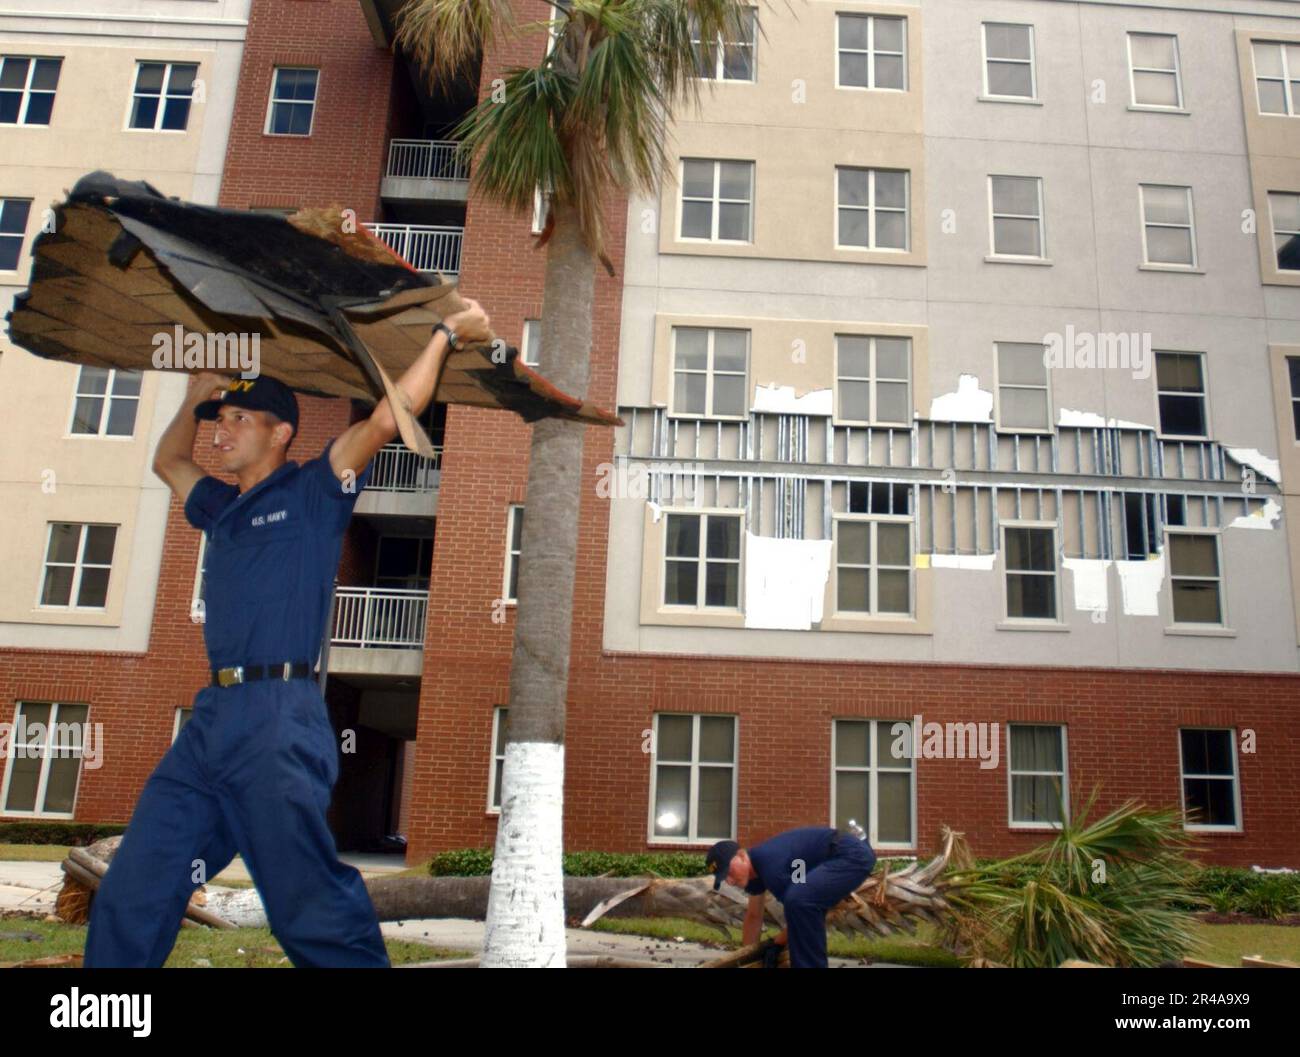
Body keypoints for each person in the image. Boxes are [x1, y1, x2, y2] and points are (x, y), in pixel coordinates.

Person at [84, 302, 491, 968]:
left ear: (282, 432)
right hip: (211, 720)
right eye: (222, 421)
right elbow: (167, 461)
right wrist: (196, 395)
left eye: (239, 419)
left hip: (279, 720)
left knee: (306, 906)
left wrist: (448, 333)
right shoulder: (222, 508)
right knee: (135, 886)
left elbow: (390, 415)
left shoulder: (314, 490)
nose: (222, 431)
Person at [705, 825, 876, 969]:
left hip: (850, 855)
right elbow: (754, 916)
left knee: (799, 901)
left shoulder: (771, 866)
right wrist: (749, 959)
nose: (730, 880)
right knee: (801, 900)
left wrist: (776, 944)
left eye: (729, 871)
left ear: (742, 856)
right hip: (838, 856)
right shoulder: (756, 871)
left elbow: (800, 905)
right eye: (723, 878)